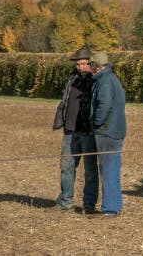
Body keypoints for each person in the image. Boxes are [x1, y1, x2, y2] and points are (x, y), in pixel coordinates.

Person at [52, 47, 99, 213]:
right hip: (70, 131)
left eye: (84, 63)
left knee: (90, 170)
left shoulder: (96, 80)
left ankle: (89, 205)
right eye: (78, 64)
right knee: (66, 167)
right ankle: (65, 201)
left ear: (91, 63)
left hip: (87, 132)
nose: (81, 67)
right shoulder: (72, 78)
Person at [88, 51, 126, 218]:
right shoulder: (111, 79)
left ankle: (109, 209)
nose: (89, 69)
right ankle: (115, 206)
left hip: (107, 131)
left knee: (108, 170)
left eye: (91, 66)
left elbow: (103, 105)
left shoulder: (104, 81)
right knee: (113, 169)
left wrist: (96, 123)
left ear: (97, 67)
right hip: (115, 130)